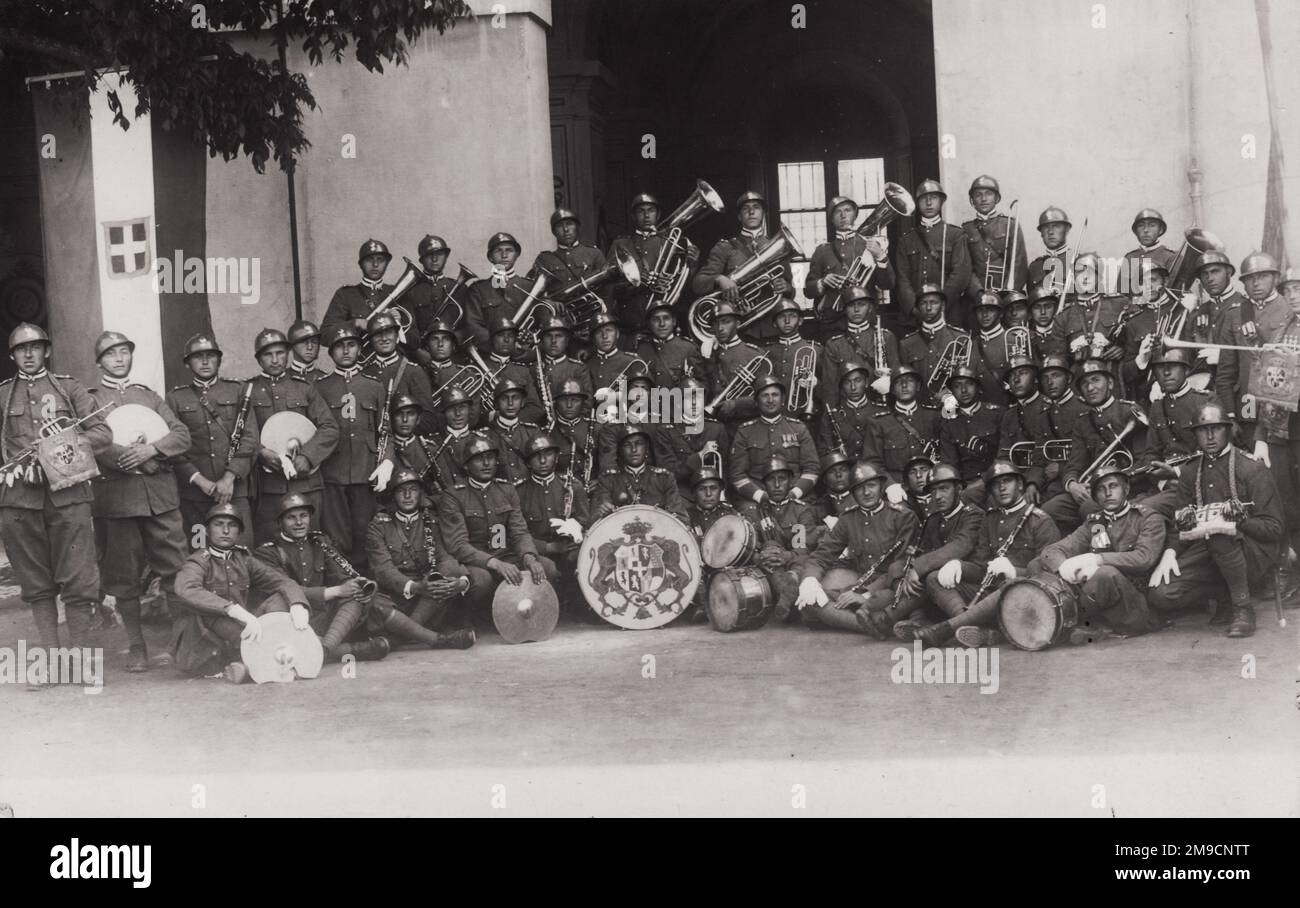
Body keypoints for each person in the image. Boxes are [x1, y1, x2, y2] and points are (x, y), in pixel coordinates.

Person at [0, 324, 112, 676]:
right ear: (12, 355)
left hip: (69, 496)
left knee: (78, 578)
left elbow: (103, 433)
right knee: (36, 581)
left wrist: (62, 445)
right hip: (20, 500)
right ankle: (50, 660)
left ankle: (78, 659)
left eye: (36, 347)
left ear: (47, 350)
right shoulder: (3, 395)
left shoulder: (69, 388)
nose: (29, 354)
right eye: (22, 349)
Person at [88, 330, 192, 672]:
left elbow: (180, 435)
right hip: (118, 500)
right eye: (111, 354)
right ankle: (136, 647)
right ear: (99, 361)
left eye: (124, 352)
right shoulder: (91, 400)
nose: (119, 358)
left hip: (160, 499)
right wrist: (131, 458)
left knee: (176, 569)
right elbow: (95, 444)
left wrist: (153, 449)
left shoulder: (148, 397)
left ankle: (182, 643)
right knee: (123, 576)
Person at [1147, 403, 1284, 638]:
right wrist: (1170, 552)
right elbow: (1181, 520)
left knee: (1221, 534)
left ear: (1228, 430)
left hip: (1253, 550)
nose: (1209, 437)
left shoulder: (1251, 468)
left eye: (1216, 429)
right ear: (1195, 435)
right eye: (1202, 430)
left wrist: (1240, 521)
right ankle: (1225, 596)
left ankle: (1243, 608)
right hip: (1209, 550)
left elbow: (1274, 529)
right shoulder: (1190, 472)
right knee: (1162, 593)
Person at [912, 459, 1060, 647]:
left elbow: (1050, 579)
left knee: (1010, 585)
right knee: (934, 577)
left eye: (1007, 481)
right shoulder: (991, 519)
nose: (1002, 488)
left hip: (1025, 598)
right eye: (996, 485)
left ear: (1020, 484)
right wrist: (958, 565)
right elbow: (982, 567)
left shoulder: (1041, 521)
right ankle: (976, 626)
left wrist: (1015, 572)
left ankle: (945, 630)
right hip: (989, 593)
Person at [171, 503, 312, 683]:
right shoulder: (199, 561)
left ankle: (248, 666)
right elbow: (186, 589)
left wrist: (297, 603)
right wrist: (232, 609)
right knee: (261, 639)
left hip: (243, 625)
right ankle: (275, 663)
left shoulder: (243, 559)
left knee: (281, 600)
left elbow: (281, 581)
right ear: (207, 530)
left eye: (232, 525)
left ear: (239, 532)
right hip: (207, 633)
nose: (225, 530)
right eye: (218, 524)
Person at [1033, 462, 1166, 643]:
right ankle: (1059, 620)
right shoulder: (1095, 522)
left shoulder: (1147, 518)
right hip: (1099, 600)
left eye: (1113, 486)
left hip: (1134, 605)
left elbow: (1144, 558)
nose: (1108, 493)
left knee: (1105, 573)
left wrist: (1096, 558)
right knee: (1037, 563)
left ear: (1126, 489)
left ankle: (1065, 624)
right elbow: (1053, 550)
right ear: (1095, 496)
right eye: (1101, 489)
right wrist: (1063, 567)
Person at [253, 493, 390, 663]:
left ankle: (323, 650)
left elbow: (340, 576)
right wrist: (337, 591)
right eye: (291, 517)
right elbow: (285, 589)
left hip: (320, 617)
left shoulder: (319, 542)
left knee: (355, 596)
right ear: (280, 522)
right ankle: (347, 651)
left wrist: (357, 585)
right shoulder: (266, 552)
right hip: (288, 617)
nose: (299, 522)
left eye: (303, 516)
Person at [437, 436, 552, 620]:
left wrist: (529, 557)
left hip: (506, 555)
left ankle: (523, 616)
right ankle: (469, 620)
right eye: (478, 459)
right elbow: (458, 545)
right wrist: (496, 564)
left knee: (546, 567)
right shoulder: (453, 495)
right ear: (466, 466)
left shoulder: (507, 490)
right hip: (475, 561)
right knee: (482, 581)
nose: (486, 463)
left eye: (490, 457)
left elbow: (519, 531)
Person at [795, 462, 918, 633]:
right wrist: (809, 580)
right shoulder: (848, 519)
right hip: (860, 582)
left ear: (882, 487)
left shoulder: (903, 516)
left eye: (871, 485)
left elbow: (901, 565)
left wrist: (866, 594)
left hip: (890, 586)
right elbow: (822, 555)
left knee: (894, 597)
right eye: (860, 488)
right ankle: (869, 626)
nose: (866, 492)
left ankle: (862, 618)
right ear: (853, 492)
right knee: (808, 602)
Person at [246, 328, 340, 542]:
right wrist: (261, 453)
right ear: (259, 359)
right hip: (270, 485)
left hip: (306, 482)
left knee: (312, 541)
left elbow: (329, 427)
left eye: (280, 353)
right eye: (268, 355)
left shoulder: (304, 388)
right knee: (271, 543)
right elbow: (242, 433)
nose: (275, 359)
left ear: (288, 354)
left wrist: (307, 456)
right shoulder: (248, 391)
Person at [365, 470, 477, 648]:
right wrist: (416, 587)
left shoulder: (431, 522)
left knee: (449, 572)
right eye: (402, 491)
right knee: (375, 603)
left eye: (413, 490)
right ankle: (440, 640)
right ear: (393, 496)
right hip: (397, 596)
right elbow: (383, 570)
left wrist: (461, 583)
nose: (408, 496)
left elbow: (446, 558)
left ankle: (402, 635)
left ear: (421, 493)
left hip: (427, 599)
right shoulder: (379, 526)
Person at [167, 333, 258, 550]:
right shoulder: (175, 398)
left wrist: (229, 478)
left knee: (241, 550)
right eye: (198, 357)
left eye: (211, 356)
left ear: (219, 359)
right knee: (199, 551)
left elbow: (250, 438)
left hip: (234, 490)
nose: (206, 362)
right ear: (188, 363)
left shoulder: (238, 391)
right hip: (195, 493)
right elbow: (173, 447)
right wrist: (199, 480)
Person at [881, 463, 983, 640]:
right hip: (941, 582)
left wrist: (917, 568)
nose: (938, 496)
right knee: (898, 568)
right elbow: (926, 550)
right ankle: (919, 620)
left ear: (958, 489)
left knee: (930, 576)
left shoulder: (973, 514)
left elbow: (960, 546)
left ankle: (966, 624)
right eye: (933, 491)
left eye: (944, 489)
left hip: (968, 578)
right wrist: (912, 562)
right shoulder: (934, 519)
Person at [315, 324, 384, 569]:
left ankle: (372, 591)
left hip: (366, 472)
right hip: (333, 472)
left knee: (367, 535)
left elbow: (384, 431)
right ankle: (346, 586)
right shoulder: (320, 387)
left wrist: (386, 462)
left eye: (351, 345)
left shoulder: (374, 386)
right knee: (337, 537)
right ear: (331, 353)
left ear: (359, 349)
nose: (346, 351)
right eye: (340, 347)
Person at [693, 191, 793, 345]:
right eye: (746, 209)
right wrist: (719, 279)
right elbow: (698, 283)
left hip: (772, 328)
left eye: (756, 207)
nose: (751, 212)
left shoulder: (778, 246)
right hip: (739, 332)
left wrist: (785, 287)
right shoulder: (725, 247)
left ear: (763, 213)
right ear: (739, 216)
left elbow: (791, 291)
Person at [606, 192, 699, 347]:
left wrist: (693, 264)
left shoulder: (670, 243)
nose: (646, 215)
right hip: (631, 323)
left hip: (664, 324)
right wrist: (635, 283)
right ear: (634, 216)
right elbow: (609, 286)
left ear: (658, 215)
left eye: (651, 210)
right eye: (641, 211)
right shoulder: (621, 244)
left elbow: (685, 285)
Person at [1214, 252, 1283, 448]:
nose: (1256, 283)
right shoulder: (1236, 315)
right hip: (1248, 406)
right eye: (1250, 279)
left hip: (1285, 411)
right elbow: (1225, 373)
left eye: (1262, 277)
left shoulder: (1289, 311)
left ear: (1276, 278)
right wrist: (1230, 416)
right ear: (1243, 283)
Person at [736, 456, 818, 619]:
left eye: (782, 479)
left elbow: (801, 549)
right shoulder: (754, 512)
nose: (777, 485)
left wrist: (784, 557)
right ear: (764, 484)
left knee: (798, 564)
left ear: (790, 481)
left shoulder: (800, 510)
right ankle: (789, 594)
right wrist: (760, 558)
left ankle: (789, 589)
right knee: (770, 547)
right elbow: (750, 547)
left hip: (796, 564)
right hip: (766, 570)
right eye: (771, 480)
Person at [514, 434, 587, 615]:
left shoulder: (572, 486)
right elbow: (516, 531)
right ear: (528, 463)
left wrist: (576, 530)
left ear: (556, 457)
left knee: (583, 558)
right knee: (549, 569)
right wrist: (547, 547)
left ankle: (582, 607)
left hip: (568, 547)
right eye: (536, 456)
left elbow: (585, 520)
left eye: (547, 454)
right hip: (537, 551)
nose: (543, 460)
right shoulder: (519, 491)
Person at [803, 195, 894, 336]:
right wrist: (822, 282)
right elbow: (808, 291)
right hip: (833, 323)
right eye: (837, 211)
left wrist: (880, 256)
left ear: (855, 215)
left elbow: (887, 284)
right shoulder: (822, 251)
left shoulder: (868, 246)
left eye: (847, 210)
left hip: (865, 322)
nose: (843, 215)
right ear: (831, 218)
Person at [728, 376, 821, 505]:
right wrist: (760, 496)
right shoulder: (744, 432)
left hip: (797, 498)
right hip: (757, 500)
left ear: (782, 399)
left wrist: (795, 493)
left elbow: (812, 468)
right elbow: (737, 474)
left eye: (775, 395)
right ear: (756, 401)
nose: (770, 400)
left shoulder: (799, 428)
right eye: (765, 395)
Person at [894, 179, 971, 331]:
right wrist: (914, 308)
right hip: (915, 317)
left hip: (947, 313)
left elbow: (961, 274)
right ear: (917, 203)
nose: (929, 203)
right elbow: (902, 279)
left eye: (934, 198)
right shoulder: (906, 239)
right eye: (923, 198)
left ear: (941, 201)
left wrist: (941, 305)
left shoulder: (955, 234)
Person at [960, 175, 1027, 327]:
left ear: (997, 198)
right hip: (977, 302)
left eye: (988, 194)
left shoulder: (1009, 224)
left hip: (1005, 300)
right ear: (972, 201)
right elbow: (965, 268)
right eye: (978, 195)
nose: (983, 199)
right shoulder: (966, 229)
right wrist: (979, 294)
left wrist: (1006, 294)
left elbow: (1019, 264)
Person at [591, 424, 690, 521]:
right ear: (620, 451)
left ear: (647, 448)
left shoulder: (664, 478)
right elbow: (593, 521)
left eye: (639, 443)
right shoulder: (609, 480)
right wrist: (603, 512)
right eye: (627, 445)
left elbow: (681, 518)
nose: (634, 449)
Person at [360, 310, 436, 435]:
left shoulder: (413, 371)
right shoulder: (364, 373)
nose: (384, 338)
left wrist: (394, 428)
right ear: (371, 340)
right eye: (378, 334)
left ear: (396, 336)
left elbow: (429, 421)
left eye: (389, 333)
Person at [823, 285, 898, 408]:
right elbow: (830, 388)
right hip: (848, 410)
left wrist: (889, 383)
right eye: (851, 305)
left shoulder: (886, 337)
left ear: (869, 308)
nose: (856, 309)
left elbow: (896, 375)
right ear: (845, 309)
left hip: (880, 406)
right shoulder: (834, 345)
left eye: (862, 304)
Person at [899, 282, 973, 406]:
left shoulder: (961, 339)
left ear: (943, 306)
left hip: (952, 409)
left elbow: (968, 377)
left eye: (934, 302)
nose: (928, 308)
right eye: (923, 303)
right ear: (917, 308)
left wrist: (949, 392)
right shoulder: (907, 344)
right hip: (920, 410)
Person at [464, 232, 538, 348]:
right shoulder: (478, 289)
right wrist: (498, 347)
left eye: (509, 250)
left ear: (517, 254)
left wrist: (530, 338)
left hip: (524, 353)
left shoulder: (530, 287)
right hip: (490, 355)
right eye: (498, 251)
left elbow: (541, 324)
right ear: (490, 257)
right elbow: (473, 326)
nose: (504, 255)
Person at [938, 365, 1002, 495]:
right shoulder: (949, 423)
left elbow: (1005, 454)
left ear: (978, 387)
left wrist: (985, 479)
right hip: (966, 486)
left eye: (969, 384)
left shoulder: (997, 414)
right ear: (951, 391)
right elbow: (950, 463)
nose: (963, 390)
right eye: (957, 386)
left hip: (997, 479)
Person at [321, 238, 395, 338]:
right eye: (369, 260)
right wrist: (355, 323)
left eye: (380, 260)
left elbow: (414, 342)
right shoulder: (345, 295)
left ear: (386, 264)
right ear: (361, 264)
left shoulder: (395, 292)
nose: (375, 265)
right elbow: (325, 335)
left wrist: (398, 323)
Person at [405, 234, 462, 349]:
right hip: (421, 354)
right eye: (429, 255)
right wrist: (418, 350)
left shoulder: (459, 288)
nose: (435, 259)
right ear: (421, 260)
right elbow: (408, 327)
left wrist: (452, 343)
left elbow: (467, 326)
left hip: (453, 353)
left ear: (446, 257)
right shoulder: (410, 290)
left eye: (439, 254)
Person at [482, 378, 544, 484]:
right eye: (504, 398)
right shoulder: (484, 437)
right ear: (496, 403)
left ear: (522, 402)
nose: (510, 403)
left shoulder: (533, 433)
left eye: (515, 398)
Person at [635, 300, 706, 391]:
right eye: (656, 319)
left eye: (666, 318)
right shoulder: (641, 350)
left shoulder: (688, 348)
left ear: (674, 321)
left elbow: (702, 385)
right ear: (649, 324)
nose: (662, 324)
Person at [969, 290, 1013, 406]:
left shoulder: (1012, 341)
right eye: (980, 310)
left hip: (1004, 410)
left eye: (990, 310)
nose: (985, 315)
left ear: (1001, 313)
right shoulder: (970, 345)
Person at [1025, 207, 1072, 291]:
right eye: (1046, 227)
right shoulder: (1035, 267)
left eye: (1056, 226)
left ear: (1067, 230)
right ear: (1041, 233)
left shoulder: (1076, 262)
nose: (1050, 232)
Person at [1122, 209, 1176, 279]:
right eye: (1141, 225)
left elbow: (1174, 288)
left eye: (1152, 225)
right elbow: (1121, 288)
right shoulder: (1129, 257)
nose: (1146, 230)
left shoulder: (1171, 256)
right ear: (1136, 231)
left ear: (1160, 230)